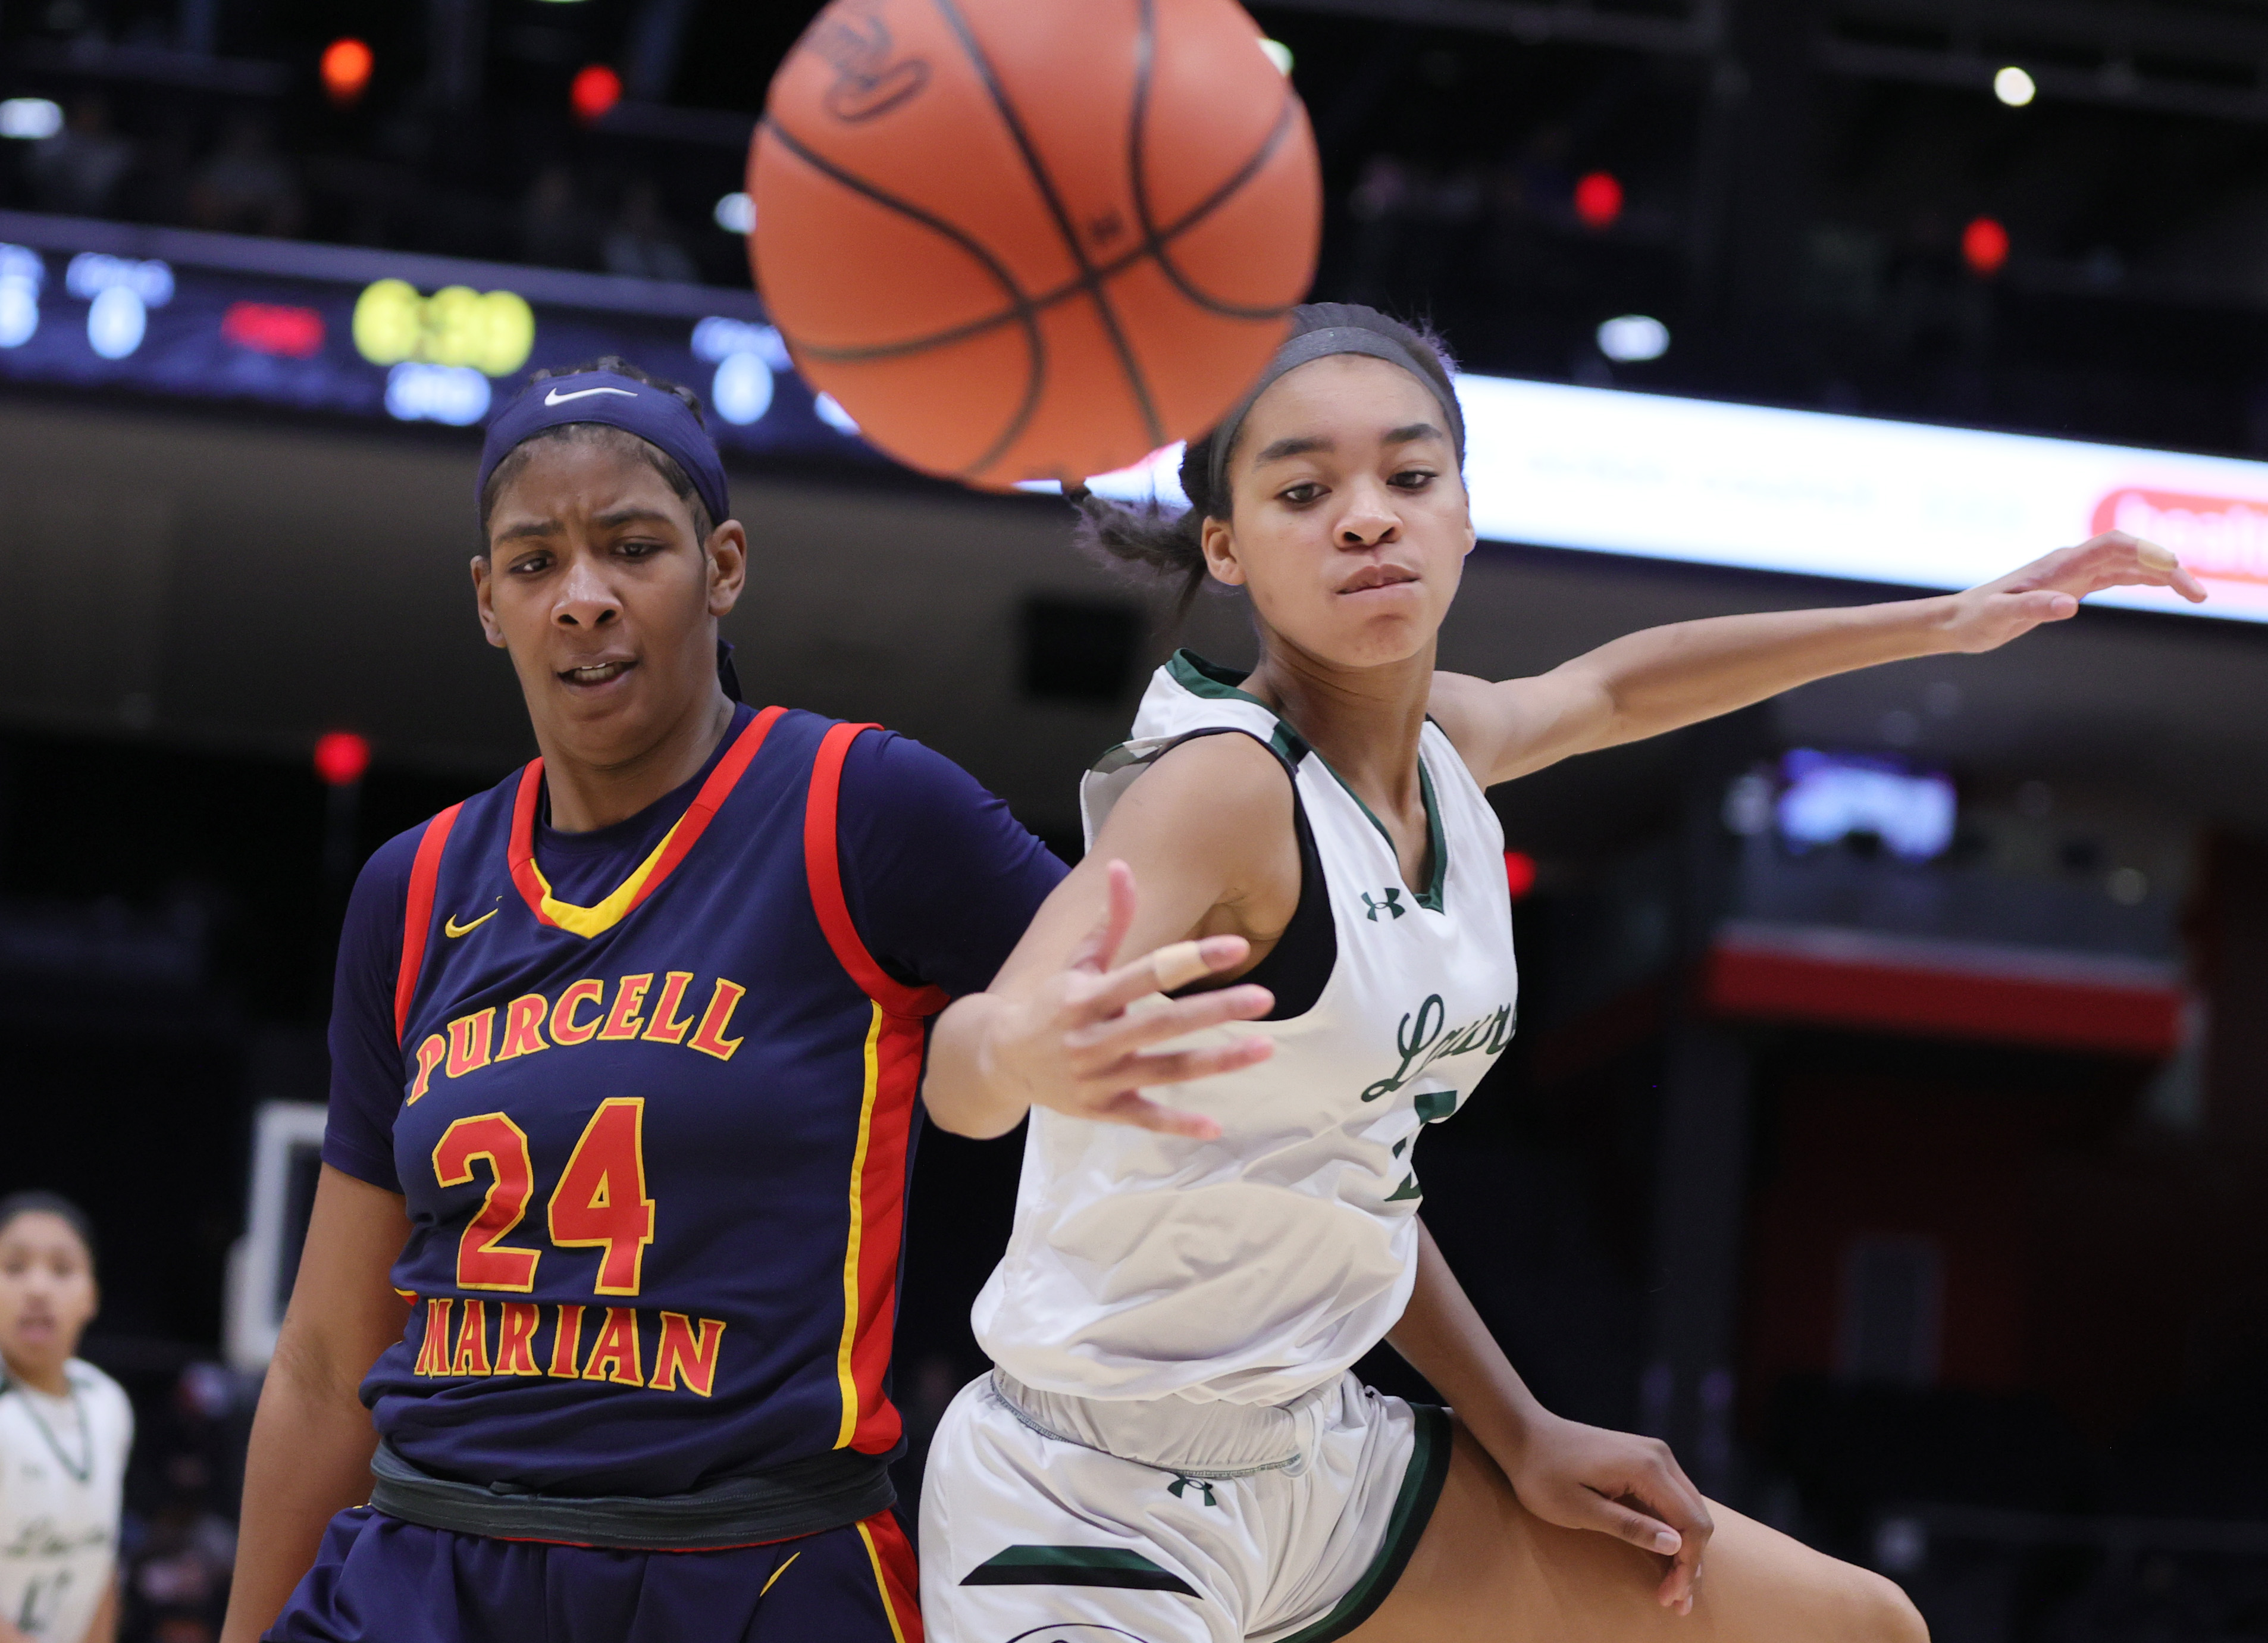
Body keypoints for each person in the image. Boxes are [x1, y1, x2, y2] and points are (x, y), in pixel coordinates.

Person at [914, 302, 2206, 1643]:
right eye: (1305, 490)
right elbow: (968, 1066)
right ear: (1228, 549)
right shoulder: (1222, 789)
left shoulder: (1442, 748)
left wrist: (1947, 621)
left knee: (1853, 1627)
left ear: (1464, 513)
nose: (1367, 516)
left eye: (1410, 477)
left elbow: (1612, 694)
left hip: (1325, 1460)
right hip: (1094, 1492)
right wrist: (1021, 1055)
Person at [220, 357, 1070, 1643]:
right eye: (533, 562)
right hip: (424, 1569)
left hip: (742, 1566)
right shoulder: (413, 890)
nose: (582, 599)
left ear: (722, 566)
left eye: (631, 548)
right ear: (488, 603)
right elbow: (328, 1360)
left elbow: (1149, 996)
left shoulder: (863, 808)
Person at [0, 1192, 133, 1643]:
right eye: (14, 1267)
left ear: (91, 1294)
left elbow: (102, 1562)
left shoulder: (109, 1402)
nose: (37, 1288)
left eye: (61, 1269)